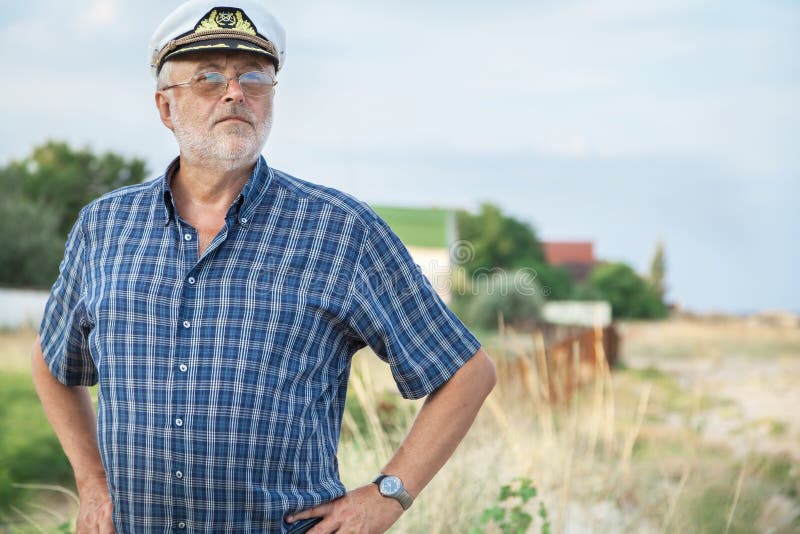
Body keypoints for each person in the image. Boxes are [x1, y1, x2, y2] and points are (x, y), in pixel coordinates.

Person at [31, 0, 496, 532]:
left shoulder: (338, 230)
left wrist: (388, 495)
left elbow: (466, 371)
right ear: (165, 107)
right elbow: (52, 362)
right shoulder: (105, 226)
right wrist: (92, 484)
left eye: (253, 77)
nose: (234, 92)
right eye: (207, 78)